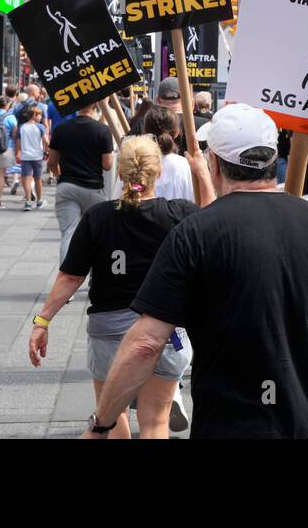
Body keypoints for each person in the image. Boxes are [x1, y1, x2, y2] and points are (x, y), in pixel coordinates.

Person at [84, 104, 308, 439]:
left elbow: (146, 343)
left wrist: (101, 424)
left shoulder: (195, 233)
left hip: (232, 425)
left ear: (215, 164)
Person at [29, 135, 200, 438]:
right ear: (157, 172)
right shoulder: (180, 214)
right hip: (164, 330)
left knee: (112, 416)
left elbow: (70, 276)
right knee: (156, 421)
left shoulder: (98, 217)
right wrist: (201, 174)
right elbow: (215, 223)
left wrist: (42, 321)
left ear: (119, 173)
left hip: (109, 331)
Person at [47, 99, 116, 262]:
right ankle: (96, 275)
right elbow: (107, 165)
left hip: (67, 186)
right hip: (93, 188)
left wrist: (60, 177)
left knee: (68, 233)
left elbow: (51, 162)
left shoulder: (61, 129)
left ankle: (66, 274)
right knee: (97, 233)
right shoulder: (103, 130)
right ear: (94, 105)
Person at [141, 104, 213, 205]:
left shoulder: (134, 165)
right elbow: (202, 205)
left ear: (145, 131)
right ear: (177, 132)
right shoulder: (187, 166)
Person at [16, 104, 48, 210]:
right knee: (38, 179)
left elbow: (18, 142)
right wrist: (47, 150)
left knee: (26, 179)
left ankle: (28, 202)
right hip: (37, 156)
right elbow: (46, 141)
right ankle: (39, 201)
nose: (41, 117)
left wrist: (17, 153)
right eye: (39, 115)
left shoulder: (22, 127)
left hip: (25, 157)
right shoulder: (40, 127)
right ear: (34, 115)